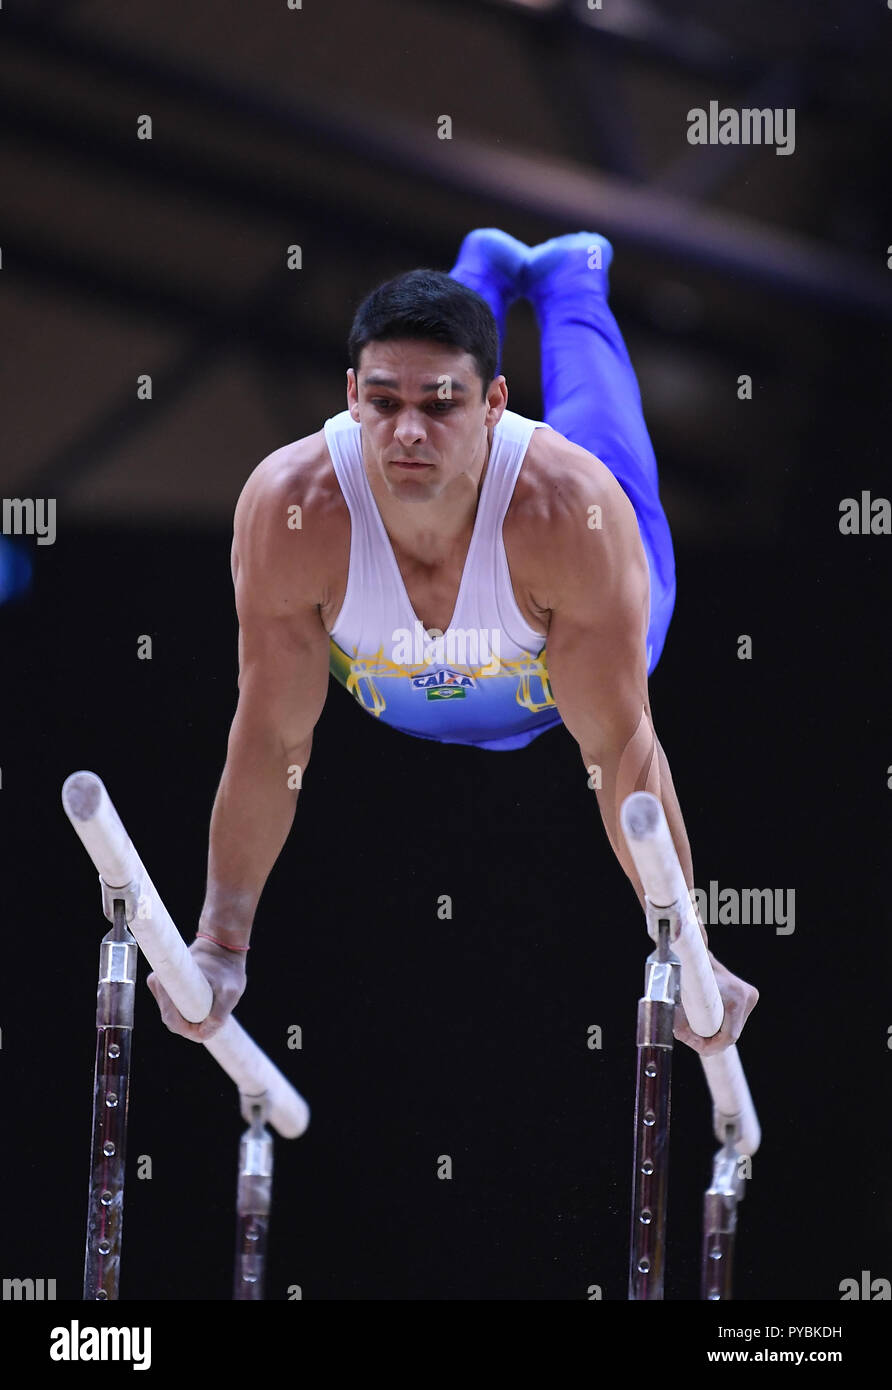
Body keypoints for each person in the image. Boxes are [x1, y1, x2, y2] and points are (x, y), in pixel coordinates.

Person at [148, 229, 757, 1057]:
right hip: (414, 693)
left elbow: (618, 750)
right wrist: (219, 944)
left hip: (565, 649)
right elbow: (272, 735)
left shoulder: (567, 506)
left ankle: (571, 286)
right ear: (352, 395)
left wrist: (690, 948)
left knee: (606, 449)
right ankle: (480, 272)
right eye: (385, 402)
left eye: (441, 404)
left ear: (495, 403)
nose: (407, 431)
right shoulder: (292, 507)